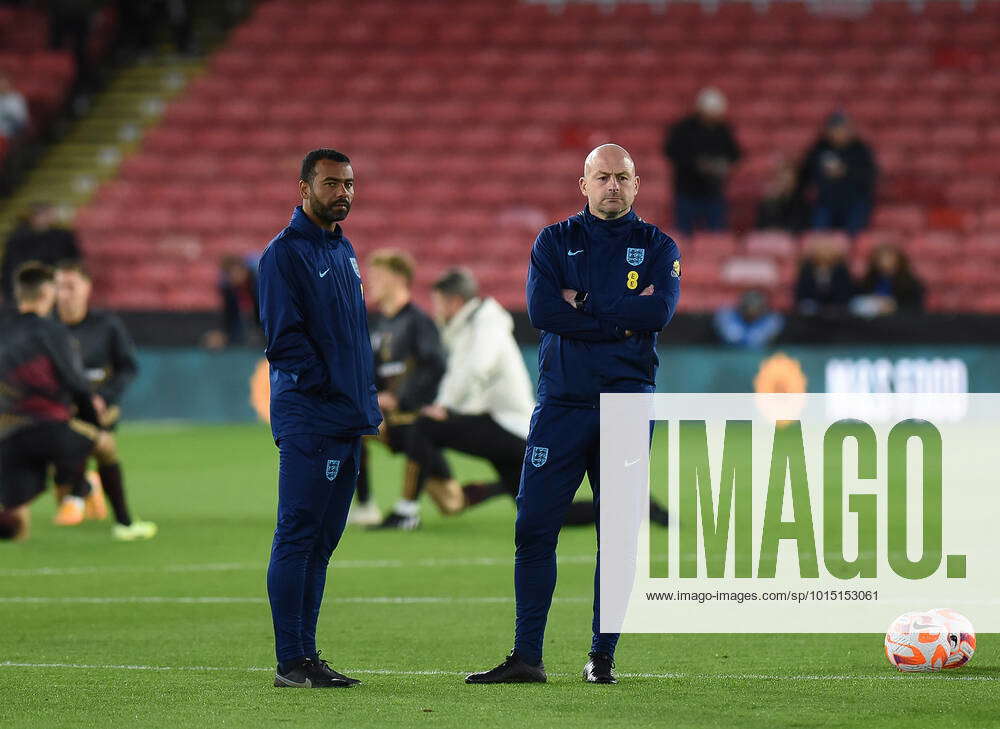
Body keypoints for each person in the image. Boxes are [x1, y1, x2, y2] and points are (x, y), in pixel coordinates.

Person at [466, 144, 681, 686]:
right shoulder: (554, 240)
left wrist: (582, 305)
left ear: (638, 186)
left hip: (626, 406)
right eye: (602, 177)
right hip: (561, 405)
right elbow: (543, 312)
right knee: (534, 527)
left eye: (622, 178)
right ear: (582, 184)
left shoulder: (658, 245)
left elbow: (659, 311)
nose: (613, 186)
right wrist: (619, 319)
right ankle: (527, 657)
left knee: (618, 536)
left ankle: (602, 658)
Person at [258, 148, 381, 689]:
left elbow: (349, 339)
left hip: (346, 417)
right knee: (299, 535)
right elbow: (285, 343)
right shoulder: (284, 256)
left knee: (323, 541)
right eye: (332, 184)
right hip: (314, 419)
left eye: (349, 184)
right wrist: (330, 390)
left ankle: (308, 656)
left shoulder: (344, 248)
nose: (344, 193)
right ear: (303, 187)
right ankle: (291, 661)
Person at [379, 267, 535, 529]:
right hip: (506, 428)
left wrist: (446, 408)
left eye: (438, 302)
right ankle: (608, 513)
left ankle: (406, 512)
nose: (436, 310)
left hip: (509, 428)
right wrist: (444, 406)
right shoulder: (475, 325)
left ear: (454, 302)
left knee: (425, 427)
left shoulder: (485, 326)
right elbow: (462, 375)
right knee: (550, 515)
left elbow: (475, 369)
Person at [0, 263, 110, 542]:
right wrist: (93, 421)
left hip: (8, 430)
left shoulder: (6, 330)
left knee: (15, 515)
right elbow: (75, 383)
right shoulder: (52, 333)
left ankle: (79, 490)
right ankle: (111, 510)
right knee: (102, 445)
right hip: (48, 425)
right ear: (47, 293)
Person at [54, 260, 156, 540]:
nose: (64, 294)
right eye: (59, 287)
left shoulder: (107, 326)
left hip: (98, 409)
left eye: (71, 286)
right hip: (56, 411)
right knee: (73, 463)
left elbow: (128, 367)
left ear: (87, 288)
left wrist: (104, 397)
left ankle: (87, 499)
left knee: (100, 443)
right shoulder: (47, 328)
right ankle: (83, 489)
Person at [357, 249, 446, 529]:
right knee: (351, 429)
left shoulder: (418, 322)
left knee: (452, 501)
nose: (371, 282)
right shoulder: (381, 324)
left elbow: (434, 366)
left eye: (378, 276)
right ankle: (366, 504)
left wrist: (399, 397)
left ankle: (507, 478)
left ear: (397, 278)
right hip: (387, 419)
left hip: (415, 420)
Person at [663, 87, 741, 235]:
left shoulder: (723, 130)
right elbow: (671, 152)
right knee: (683, 235)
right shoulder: (683, 129)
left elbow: (735, 155)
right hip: (687, 190)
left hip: (713, 191)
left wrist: (721, 165)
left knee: (716, 235)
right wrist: (696, 164)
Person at [797, 112, 877, 235]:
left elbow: (869, 177)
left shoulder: (861, 151)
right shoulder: (818, 149)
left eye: (842, 129)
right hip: (825, 201)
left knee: (853, 235)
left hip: (854, 201)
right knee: (818, 235)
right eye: (835, 129)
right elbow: (804, 174)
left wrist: (846, 172)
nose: (839, 133)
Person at [1, 202, 81, 306]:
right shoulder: (17, 239)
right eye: (40, 214)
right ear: (32, 217)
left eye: (47, 214)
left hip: (55, 291)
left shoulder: (63, 237)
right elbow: (10, 269)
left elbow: (73, 262)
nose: (44, 218)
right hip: (25, 292)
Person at [205, 254, 261, 348]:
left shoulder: (260, 280)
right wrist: (223, 334)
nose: (235, 277)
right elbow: (229, 313)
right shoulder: (229, 289)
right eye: (231, 274)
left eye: (237, 271)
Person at [852, 244, 925, 316]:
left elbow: (914, 309)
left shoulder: (909, 283)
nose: (884, 262)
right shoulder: (869, 280)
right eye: (881, 258)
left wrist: (893, 307)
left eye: (889, 258)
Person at [794, 234, 854, 315]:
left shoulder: (841, 270)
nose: (824, 253)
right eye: (821, 249)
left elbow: (845, 291)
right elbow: (802, 291)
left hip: (837, 307)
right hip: (812, 307)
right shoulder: (807, 270)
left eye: (827, 250)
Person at [713, 290, 785, 348]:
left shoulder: (773, 320)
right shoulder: (726, 316)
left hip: (759, 357)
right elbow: (733, 338)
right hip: (730, 356)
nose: (752, 310)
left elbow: (757, 341)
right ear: (742, 306)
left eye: (756, 306)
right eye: (749, 305)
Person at [755, 157, 810, 232]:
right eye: (781, 178)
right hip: (771, 239)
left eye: (788, 178)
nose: (785, 182)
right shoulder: (769, 201)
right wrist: (773, 201)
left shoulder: (802, 201)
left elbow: (800, 227)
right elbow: (762, 227)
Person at [0, 72, 29, 139]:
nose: (1, 86)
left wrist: (8, 113)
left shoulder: (16, 98)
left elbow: (22, 120)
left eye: (3, 83)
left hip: (11, 135)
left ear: (8, 83)